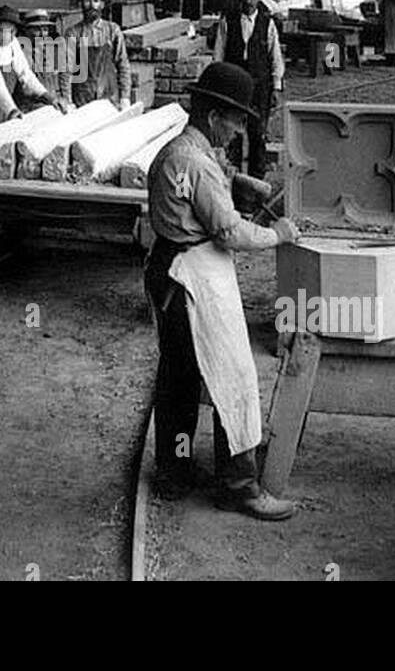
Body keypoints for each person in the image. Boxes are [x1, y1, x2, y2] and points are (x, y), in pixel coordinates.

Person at [145, 63, 300, 519]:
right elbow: (230, 233)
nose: (238, 131)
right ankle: (240, 486)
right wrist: (280, 235)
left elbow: (202, 183)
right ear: (214, 116)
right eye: (234, 121)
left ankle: (174, 472)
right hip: (190, 277)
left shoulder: (184, 148)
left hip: (171, 268)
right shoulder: (194, 160)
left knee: (180, 378)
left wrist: (237, 183)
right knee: (233, 375)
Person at [212, 0, 285, 179]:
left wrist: (276, 86)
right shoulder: (228, 20)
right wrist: (219, 81)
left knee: (257, 133)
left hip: (259, 85)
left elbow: (275, 56)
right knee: (231, 133)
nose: (248, 2)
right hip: (234, 83)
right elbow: (219, 52)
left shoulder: (266, 22)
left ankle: (256, 181)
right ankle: (231, 179)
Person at [0, 6, 63, 133]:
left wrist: (49, 97)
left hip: (3, 110)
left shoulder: (12, 44)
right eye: (2, 30)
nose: (7, 36)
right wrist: (12, 110)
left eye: (11, 31)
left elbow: (25, 74)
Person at [59, 0, 131, 109]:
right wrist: (67, 100)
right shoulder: (73, 33)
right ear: (81, 4)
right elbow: (66, 70)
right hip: (82, 98)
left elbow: (123, 65)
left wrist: (125, 97)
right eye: (87, 1)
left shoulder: (112, 30)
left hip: (109, 96)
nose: (92, 5)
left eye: (96, 1)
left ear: (102, 5)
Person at [21, 9, 62, 100]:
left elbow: (57, 82)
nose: (42, 34)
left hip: (52, 105)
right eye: (36, 29)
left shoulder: (52, 52)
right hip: (30, 107)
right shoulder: (20, 54)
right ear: (26, 31)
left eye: (45, 29)